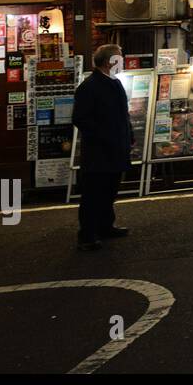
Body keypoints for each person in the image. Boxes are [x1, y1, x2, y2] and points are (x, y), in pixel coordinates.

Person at [72, 43, 134, 251]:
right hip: (99, 151)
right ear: (110, 61)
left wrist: (128, 136)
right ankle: (87, 235)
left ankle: (106, 226)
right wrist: (105, 137)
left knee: (109, 190)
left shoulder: (114, 83)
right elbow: (80, 118)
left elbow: (123, 114)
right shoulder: (89, 87)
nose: (122, 61)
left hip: (116, 147)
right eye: (120, 57)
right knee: (93, 193)